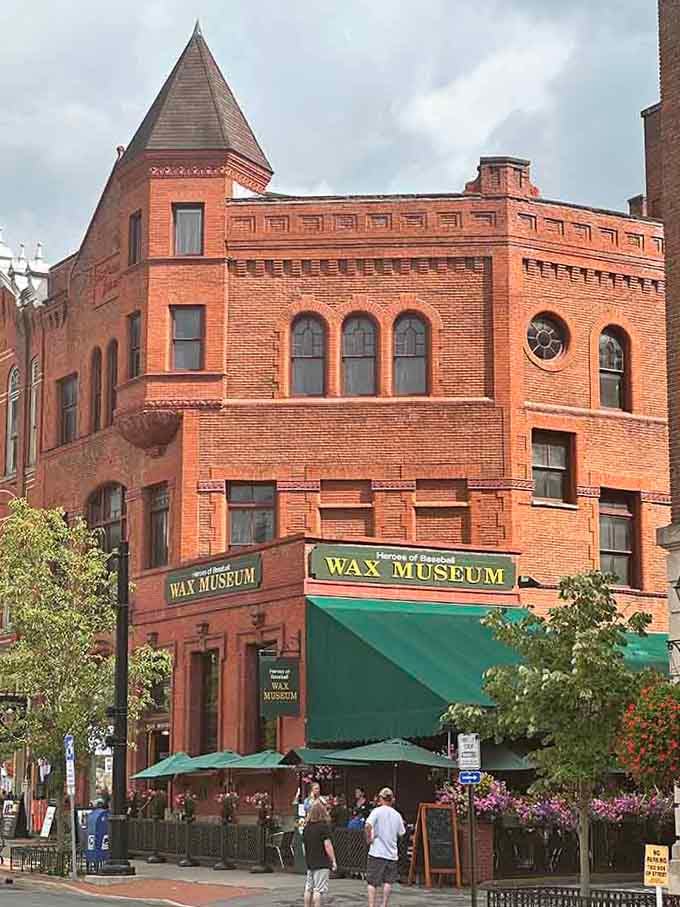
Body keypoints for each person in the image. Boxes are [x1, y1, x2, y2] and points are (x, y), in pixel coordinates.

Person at [364, 788, 405, 907]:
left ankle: (371, 905)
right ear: (392, 800)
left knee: (372, 882)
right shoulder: (397, 815)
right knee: (388, 881)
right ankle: (384, 904)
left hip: (376, 851)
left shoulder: (376, 811)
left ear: (381, 798)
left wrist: (369, 839)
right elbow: (402, 832)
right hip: (391, 853)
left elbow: (367, 825)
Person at [303, 801, 337, 907]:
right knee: (319, 890)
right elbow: (327, 845)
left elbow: (304, 846)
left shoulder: (306, 828)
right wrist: (333, 860)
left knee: (309, 888)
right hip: (322, 861)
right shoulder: (324, 827)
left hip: (310, 861)